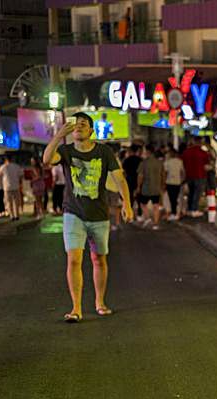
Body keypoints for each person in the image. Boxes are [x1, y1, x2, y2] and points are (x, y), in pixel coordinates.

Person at [43, 112, 133, 322]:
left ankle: (100, 302)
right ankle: (76, 308)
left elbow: (119, 179)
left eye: (84, 124)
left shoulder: (104, 151)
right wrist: (58, 136)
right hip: (73, 213)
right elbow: (47, 159)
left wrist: (127, 203)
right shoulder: (65, 151)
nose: (79, 126)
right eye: (76, 124)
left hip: (99, 214)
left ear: (91, 130)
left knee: (98, 259)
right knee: (74, 260)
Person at [137, 143, 166, 230]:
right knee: (156, 206)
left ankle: (148, 218)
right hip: (156, 187)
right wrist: (163, 184)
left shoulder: (143, 163)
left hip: (146, 188)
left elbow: (140, 176)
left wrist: (138, 186)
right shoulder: (159, 163)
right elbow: (163, 174)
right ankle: (156, 224)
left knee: (143, 204)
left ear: (147, 151)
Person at [181, 136, 211, 217]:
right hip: (200, 175)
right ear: (200, 142)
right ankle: (194, 209)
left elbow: (182, 164)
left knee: (190, 193)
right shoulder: (203, 153)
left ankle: (189, 209)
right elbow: (207, 165)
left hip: (189, 176)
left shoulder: (186, 152)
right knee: (197, 194)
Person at [164, 148, 185, 220]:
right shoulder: (180, 162)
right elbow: (183, 172)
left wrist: (163, 182)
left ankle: (174, 213)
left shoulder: (167, 162)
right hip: (177, 182)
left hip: (169, 182)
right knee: (175, 198)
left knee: (171, 198)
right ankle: (176, 212)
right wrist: (182, 180)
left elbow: (165, 173)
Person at [122, 144, 142, 218]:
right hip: (138, 179)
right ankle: (139, 213)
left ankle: (130, 213)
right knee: (139, 197)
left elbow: (123, 171)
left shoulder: (127, 160)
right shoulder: (140, 159)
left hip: (129, 180)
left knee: (130, 197)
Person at [0, 156, 23, 221]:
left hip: (7, 187)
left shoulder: (3, 167)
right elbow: (21, 175)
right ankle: (17, 215)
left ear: (6, 160)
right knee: (16, 202)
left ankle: (12, 216)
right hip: (16, 186)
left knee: (8, 202)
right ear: (12, 159)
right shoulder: (17, 166)